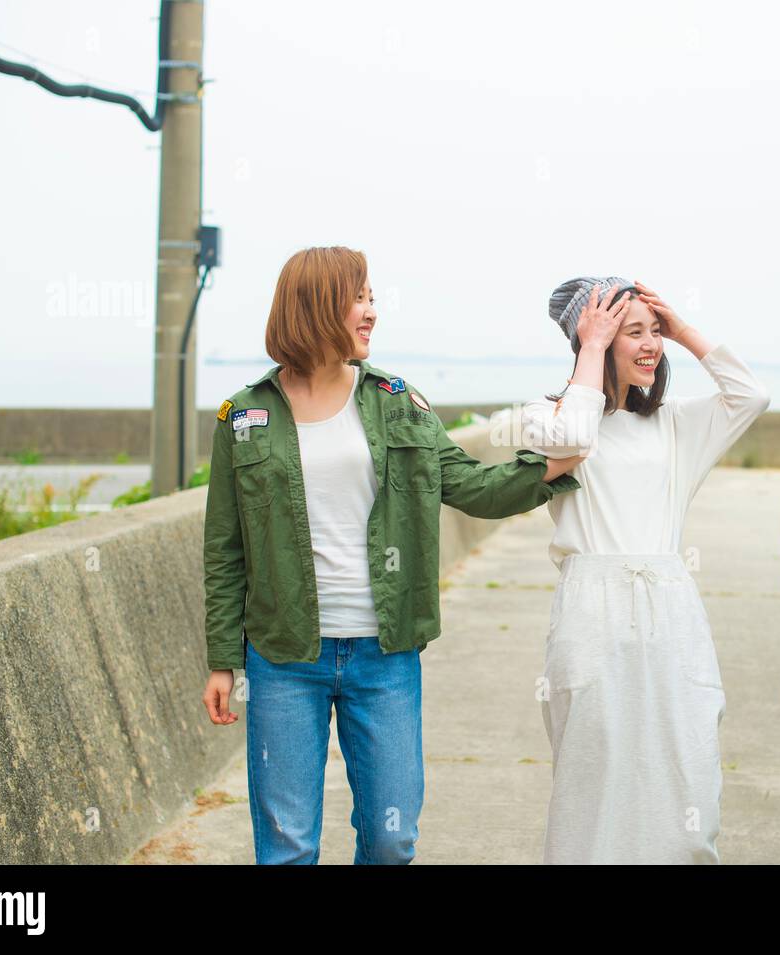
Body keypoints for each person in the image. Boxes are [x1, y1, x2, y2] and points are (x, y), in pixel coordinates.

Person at [201, 246, 583, 864]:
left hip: (384, 652)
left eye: (373, 298)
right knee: (287, 847)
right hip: (282, 656)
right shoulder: (245, 416)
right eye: (361, 297)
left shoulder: (396, 400)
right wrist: (224, 660)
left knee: (392, 837)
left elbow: (467, 485)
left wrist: (548, 465)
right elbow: (224, 549)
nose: (372, 312)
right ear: (317, 305)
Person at [521, 276, 770, 864]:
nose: (650, 345)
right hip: (592, 608)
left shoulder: (676, 423)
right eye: (632, 332)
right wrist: (589, 349)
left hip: (670, 609)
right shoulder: (544, 416)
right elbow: (575, 438)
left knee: (688, 772)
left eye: (654, 331)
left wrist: (681, 329)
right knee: (594, 778)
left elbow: (750, 396)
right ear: (594, 339)